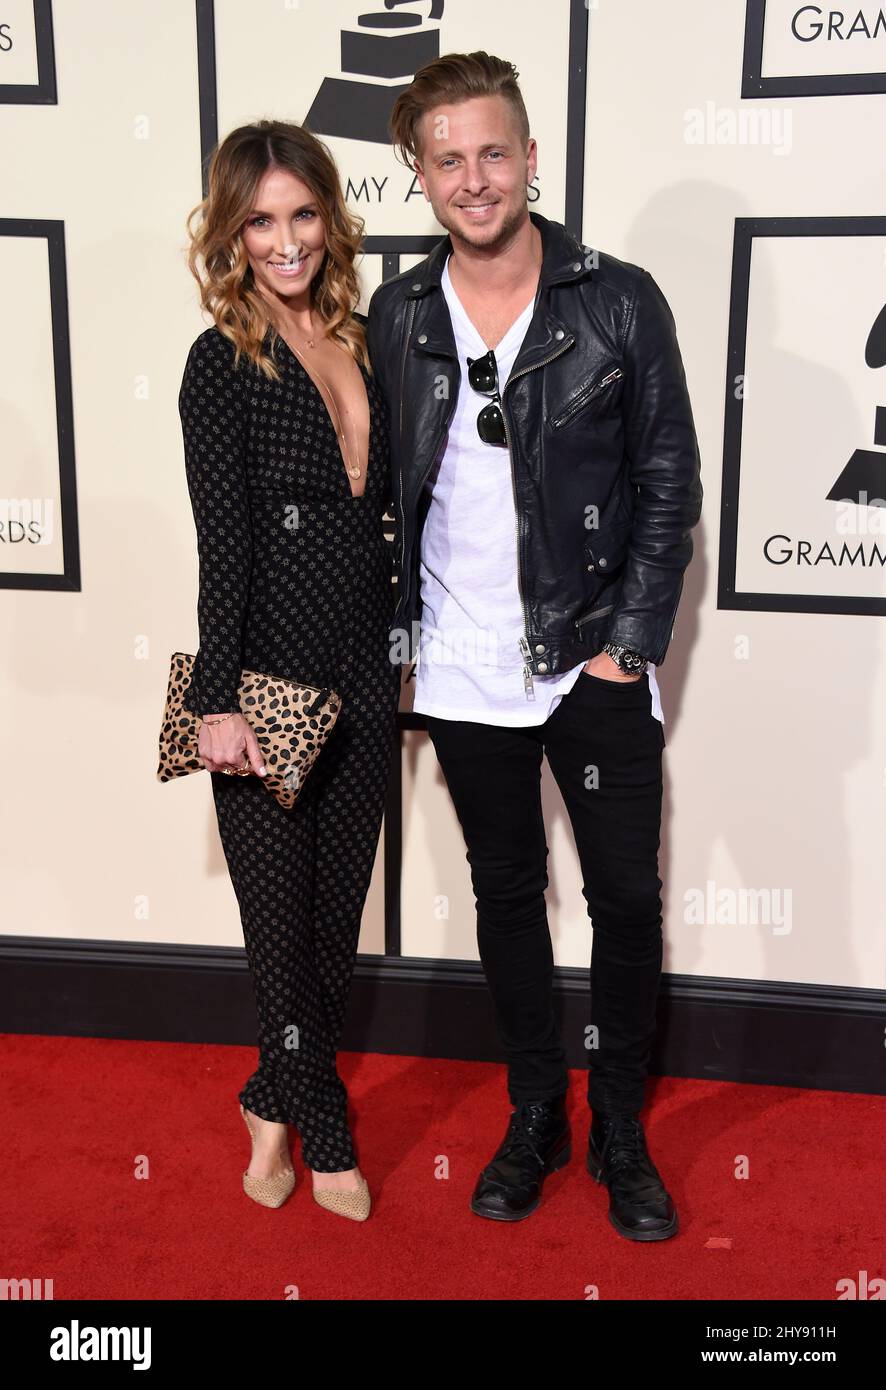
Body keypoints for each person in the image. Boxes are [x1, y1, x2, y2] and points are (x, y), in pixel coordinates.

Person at [367, 52, 702, 1238]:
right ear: (417, 173)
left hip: (590, 661)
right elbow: (387, 491)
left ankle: (617, 1122)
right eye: (447, 159)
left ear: (532, 156)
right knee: (504, 894)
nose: (474, 179)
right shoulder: (399, 311)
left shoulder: (619, 299)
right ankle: (533, 1111)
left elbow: (669, 485)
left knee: (623, 899)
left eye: (493, 152)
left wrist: (627, 644)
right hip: (458, 667)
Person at [179, 119, 400, 1221]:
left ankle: (267, 1097)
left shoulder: (363, 339)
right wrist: (214, 700)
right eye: (258, 220)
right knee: (279, 930)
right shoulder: (221, 359)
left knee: (332, 924)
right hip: (266, 677)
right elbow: (224, 540)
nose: (284, 240)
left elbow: (388, 520)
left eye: (301, 213)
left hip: (364, 669)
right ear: (230, 231)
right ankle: (324, 1126)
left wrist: (401, 655)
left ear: (329, 214)